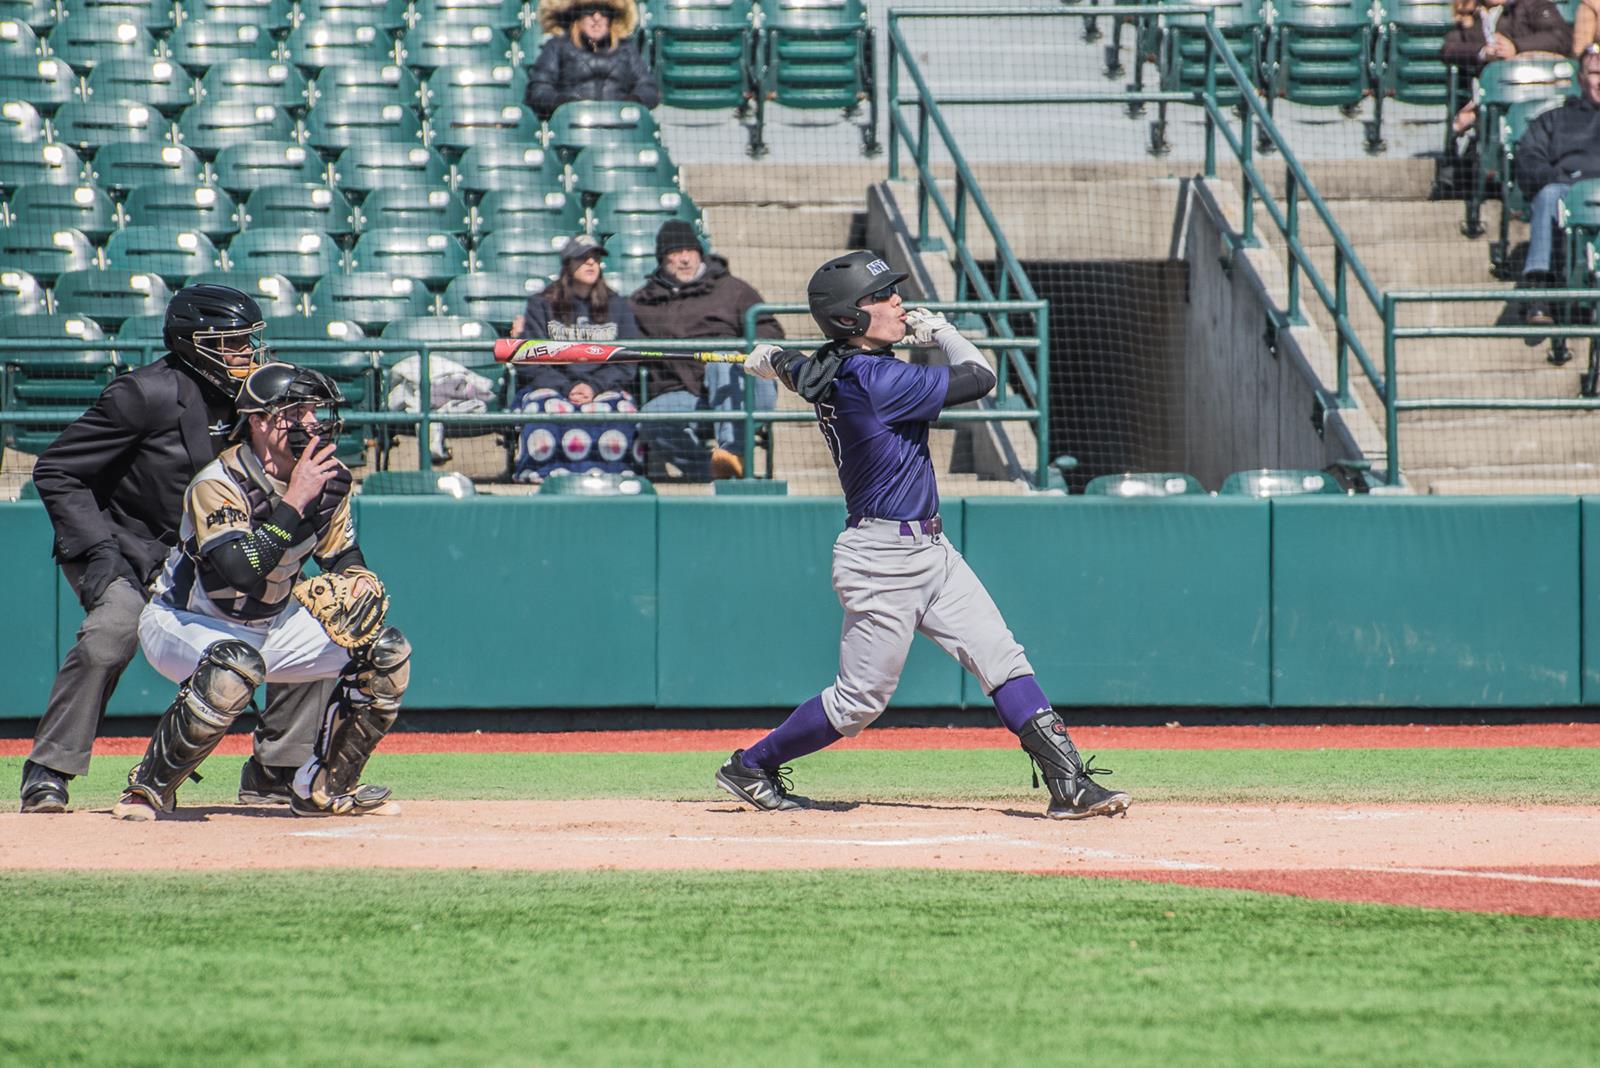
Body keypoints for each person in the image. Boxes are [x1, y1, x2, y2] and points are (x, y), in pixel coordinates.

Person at [712, 252, 1131, 821]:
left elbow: (816, 369)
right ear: (847, 318)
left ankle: (1070, 785)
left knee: (1002, 658)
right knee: (859, 702)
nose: (897, 303)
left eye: (893, 293)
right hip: (881, 558)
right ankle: (751, 766)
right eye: (880, 297)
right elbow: (981, 377)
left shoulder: (837, 366)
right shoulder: (877, 378)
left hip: (932, 551)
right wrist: (946, 333)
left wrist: (780, 361)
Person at [18, 284, 333, 815]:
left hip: (213, 555)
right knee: (111, 633)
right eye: (233, 344)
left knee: (309, 620)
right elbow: (57, 469)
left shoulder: (259, 397)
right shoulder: (143, 394)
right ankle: (48, 772)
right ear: (195, 343)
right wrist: (99, 554)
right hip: (132, 550)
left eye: (250, 343)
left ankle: (276, 770)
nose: (247, 357)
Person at [113, 362, 409, 820]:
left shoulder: (329, 480)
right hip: (185, 620)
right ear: (258, 420)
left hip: (269, 625)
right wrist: (295, 500)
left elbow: (343, 557)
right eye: (297, 410)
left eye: (314, 410)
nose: (312, 421)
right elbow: (239, 573)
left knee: (387, 652)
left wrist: (359, 581)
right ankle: (148, 789)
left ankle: (324, 787)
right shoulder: (218, 482)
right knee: (235, 665)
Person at [631, 219, 783, 481]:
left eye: (690, 251)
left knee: (720, 359)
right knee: (651, 418)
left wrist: (742, 353)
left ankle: (730, 451)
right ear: (661, 258)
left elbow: (769, 329)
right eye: (676, 253)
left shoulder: (733, 289)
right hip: (691, 395)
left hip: (745, 390)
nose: (685, 259)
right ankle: (716, 472)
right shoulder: (644, 302)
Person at [509, 234, 643, 484]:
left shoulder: (618, 305)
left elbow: (627, 361)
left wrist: (594, 386)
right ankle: (546, 476)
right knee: (544, 409)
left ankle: (615, 477)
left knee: (619, 410)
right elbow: (530, 360)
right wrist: (568, 387)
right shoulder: (542, 304)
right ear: (568, 265)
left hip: (604, 387)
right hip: (552, 386)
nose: (591, 263)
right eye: (583, 259)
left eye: (595, 258)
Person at [1512, 45, 1600, 323]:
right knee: (1549, 194)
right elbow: (1528, 158)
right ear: (1581, 78)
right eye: (1596, 72)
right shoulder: (1554, 117)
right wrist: (1563, 181)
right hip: (1568, 194)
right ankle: (1539, 290)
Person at [1441, 0, 1571, 133]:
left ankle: (1476, 114)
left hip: (1535, 88)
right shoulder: (1471, 12)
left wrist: (1516, 47)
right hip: (1490, 92)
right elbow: (1448, 49)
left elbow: (1561, 38)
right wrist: (1483, 52)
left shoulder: (1530, 4)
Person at [525, 0, 658, 121]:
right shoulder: (556, 47)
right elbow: (538, 91)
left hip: (620, 125)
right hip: (574, 125)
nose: (597, 18)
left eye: (604, 12)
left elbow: (648, 88)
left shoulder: (627, 50)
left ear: (611, 18)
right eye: (589, 11)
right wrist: (564, 102)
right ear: (577, 16)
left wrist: (633, 101)